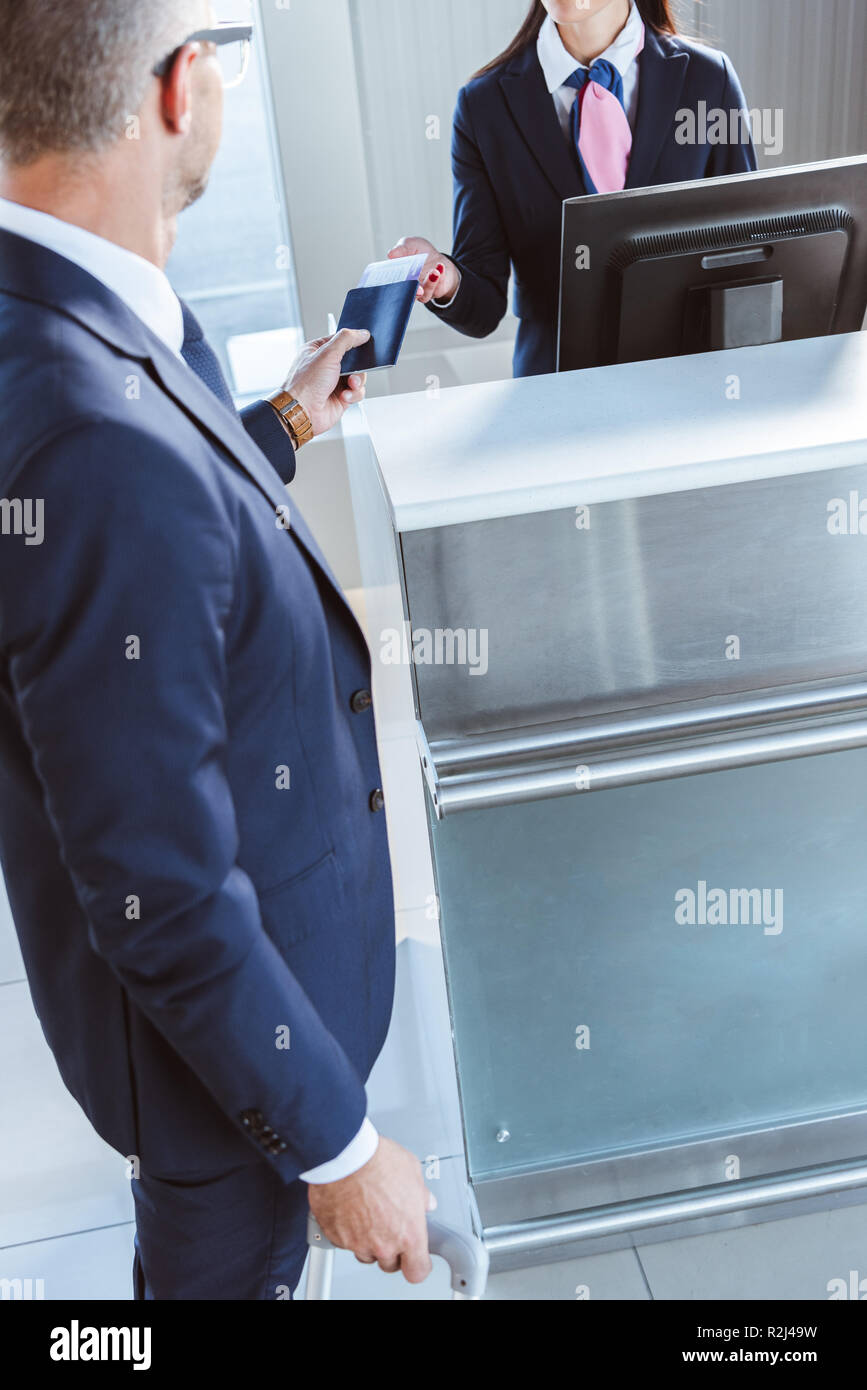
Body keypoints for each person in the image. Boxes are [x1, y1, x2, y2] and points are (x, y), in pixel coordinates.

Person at [0, 0, 433, 1300]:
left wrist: (278, 424)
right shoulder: (93, 445)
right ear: (180, 88)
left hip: (215, 1042)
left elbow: (160, 524)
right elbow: (164, 886)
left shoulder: (70, 308)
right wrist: (339, 1145)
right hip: (219, 1086)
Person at [390, 0, 758, 378]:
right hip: (556, 385)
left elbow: (747, 254)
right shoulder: (484, 105)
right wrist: (445, 277)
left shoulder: (707, 78)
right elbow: (481, 310)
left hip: (689, 377)